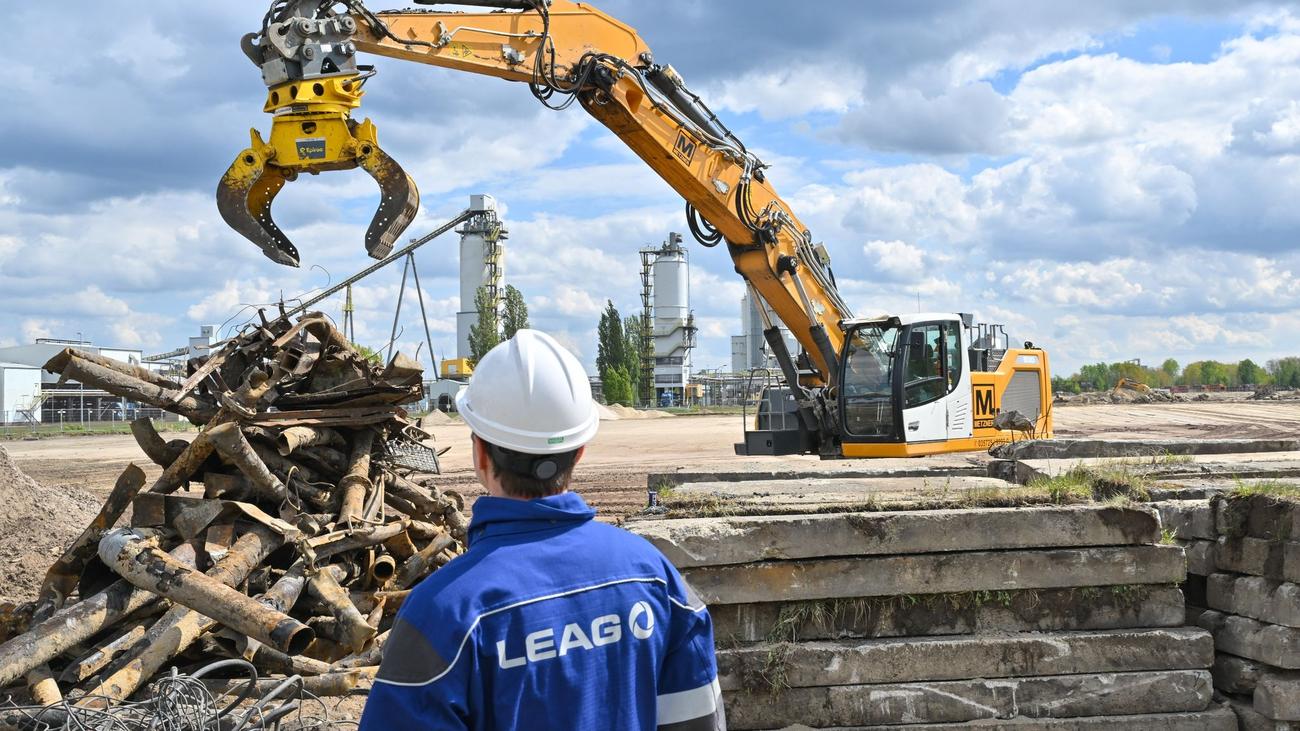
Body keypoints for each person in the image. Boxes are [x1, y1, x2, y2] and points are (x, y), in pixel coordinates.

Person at [360, 330, 725, 731]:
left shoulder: (442, 613)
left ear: (480, 453)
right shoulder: (656, 577)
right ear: (580, 449)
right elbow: (698, 719)